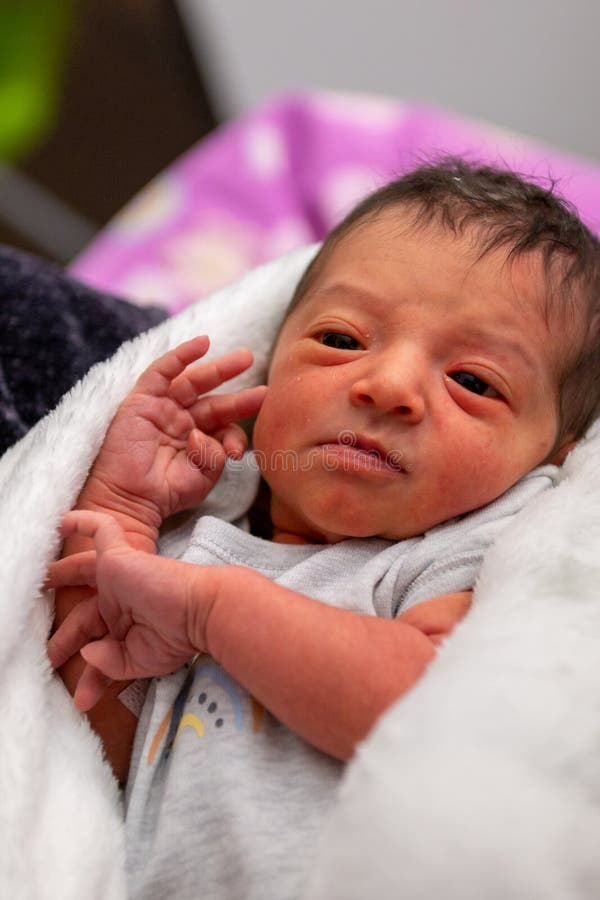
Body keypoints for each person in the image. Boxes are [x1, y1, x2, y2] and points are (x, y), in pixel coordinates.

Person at [46, 159, 600, 900]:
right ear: (269, 362)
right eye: (341, 339)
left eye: (473, 382)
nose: (391, 386)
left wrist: (212, 612)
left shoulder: (458, 557)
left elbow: (432, 709)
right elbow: (89, 744)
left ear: (553, 454)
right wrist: (116, 511)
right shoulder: (196, 543)